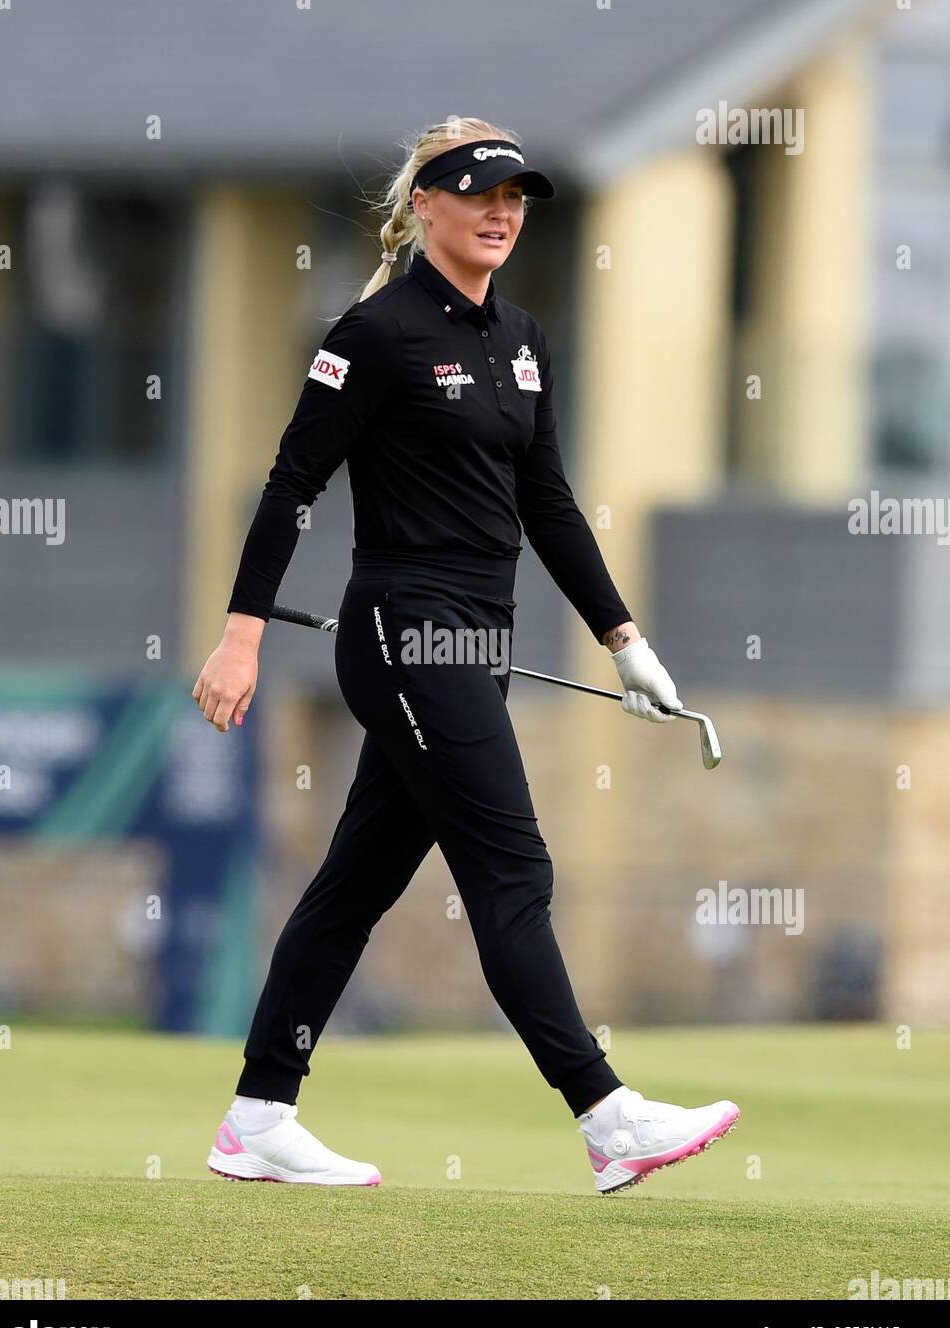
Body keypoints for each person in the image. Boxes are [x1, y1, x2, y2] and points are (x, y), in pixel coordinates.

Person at [192, 117, 739, 1195]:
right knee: (513, 867)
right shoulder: (375, 331)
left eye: (516, 197)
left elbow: (548, 504)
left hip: (474, 642)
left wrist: (626, 642)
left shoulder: (522, 339)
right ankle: (605, 1112)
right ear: (423, 206)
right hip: (404, 632)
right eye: (478, 193)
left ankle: (258, 1114)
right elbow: (290, 483)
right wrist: (241, 634)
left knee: (354, 885)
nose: (500, 212)